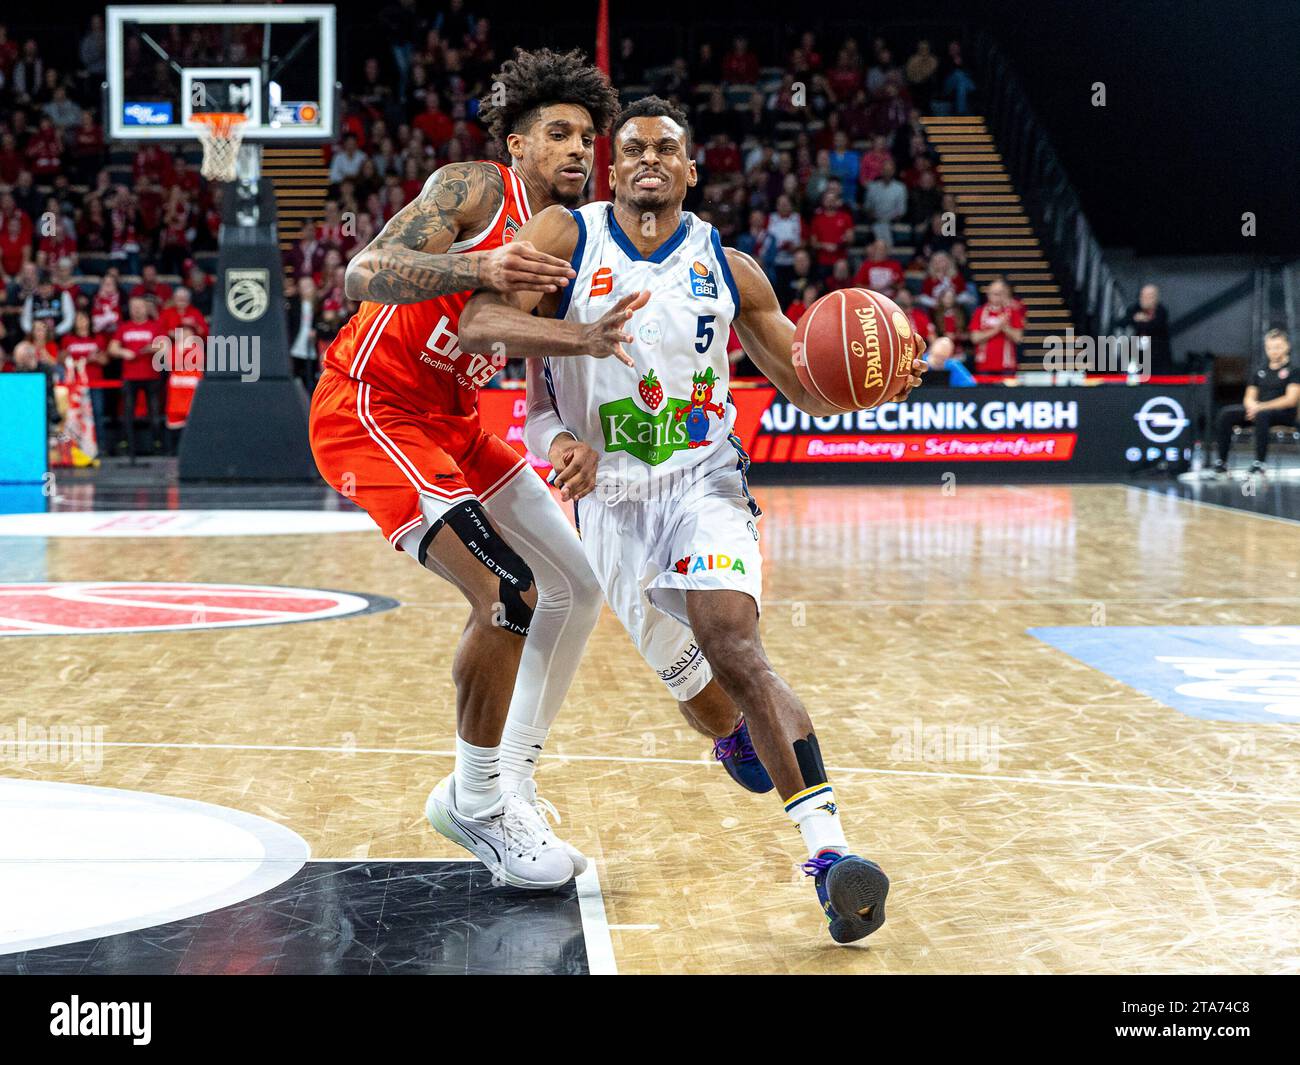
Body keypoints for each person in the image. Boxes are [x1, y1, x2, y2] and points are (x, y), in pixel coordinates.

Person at [459, 96, 927, 945]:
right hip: (608, 501)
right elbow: (479, 323)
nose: (647, 159)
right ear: (614, 166)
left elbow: (803, 380)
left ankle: (831, 856)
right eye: (631, 147)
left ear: (689, 167)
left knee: (734, 640)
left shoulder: (731, 266)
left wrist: (878, 381)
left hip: (703, 482)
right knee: (713, 706)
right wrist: (562, 423)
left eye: (664, 149)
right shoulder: (569, 235)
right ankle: (731, 735)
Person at [309, 48, 635, 891]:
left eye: (589, 139)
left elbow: (530, 359)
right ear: (519, 145)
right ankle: (478, 803)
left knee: (576, 582)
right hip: (372, 409)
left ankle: (507, 780)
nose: (579, 151)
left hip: (455, 424)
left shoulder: (574, 233)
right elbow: (362, 272)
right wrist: (475, 265)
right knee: (508, 594)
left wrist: (560, 431)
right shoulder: (476, 189)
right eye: (558, 133)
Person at [1213, 329, 1300, 476]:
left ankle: (1259, 463)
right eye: (1270, 347)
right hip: (1259, 411)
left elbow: (1290, 400)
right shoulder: (1260, 371)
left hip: (1284, 414)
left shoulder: (1294, 370)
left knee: (1263, 415)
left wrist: (1260, 407)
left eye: (1278, 347)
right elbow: (1249, 396)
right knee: (1227, 413)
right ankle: (1222, 463)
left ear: (1287, 346)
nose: (1273, 351)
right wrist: (1252, 406)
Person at [968, 278, 1023, 376]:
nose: (996, 297)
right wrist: (996, 329)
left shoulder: (1013, 312)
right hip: (984, 365)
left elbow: (1018, 338)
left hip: (1007, 366)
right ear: (988, 294)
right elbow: (975, 338)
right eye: (994, 293)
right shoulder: (979, 312)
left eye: (1000, 293)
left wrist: (1005, 327)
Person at [1120, 283, 1172, 375]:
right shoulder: (1135, 309)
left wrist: (1141, 320)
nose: (1144, 299)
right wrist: (1135, 319)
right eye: (1142, 296)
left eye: (1149, 297)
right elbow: (1123, 322)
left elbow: (1155, 326)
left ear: (1155, 298)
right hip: (1137, 355)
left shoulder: (1161, 311)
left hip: (1156, 356)